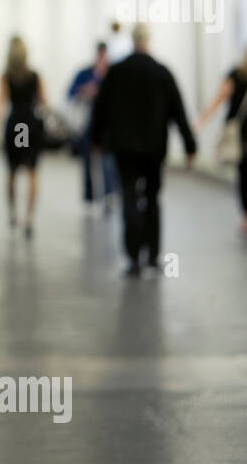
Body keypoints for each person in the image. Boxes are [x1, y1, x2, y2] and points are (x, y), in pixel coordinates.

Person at [90, 24, 197, 277]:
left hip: (124, 149)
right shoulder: (161, 72)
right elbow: (178, 111)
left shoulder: (116, 72)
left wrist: (95, 139)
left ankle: (133, 256)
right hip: (153, 148)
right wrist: (189, 144)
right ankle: (153, 255)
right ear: (147, 40)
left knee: (128, 197)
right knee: (152, 199)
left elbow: (100, 109)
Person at [194, 38, 247, 239]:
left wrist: (199, 123)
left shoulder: (236, 75)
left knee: (246, 177)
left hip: (243, 140)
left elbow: (218, 100)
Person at [0, 36, 47, 239]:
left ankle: (13, 213)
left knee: (12, 172)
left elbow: (0, 102)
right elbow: (44, 103)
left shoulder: (6, 76)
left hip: (15, 125)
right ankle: (29, 217)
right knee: (32, 172)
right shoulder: (34, 76)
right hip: (29, 125)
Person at [67, 41, 119, 212]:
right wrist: (85, 90)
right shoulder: (85, 73)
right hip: (88, 122)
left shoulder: (114, 74)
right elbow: (70, 93)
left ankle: (109, 195)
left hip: (107, 123)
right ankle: (89, 198)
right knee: (87, 160)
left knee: (107, 159)